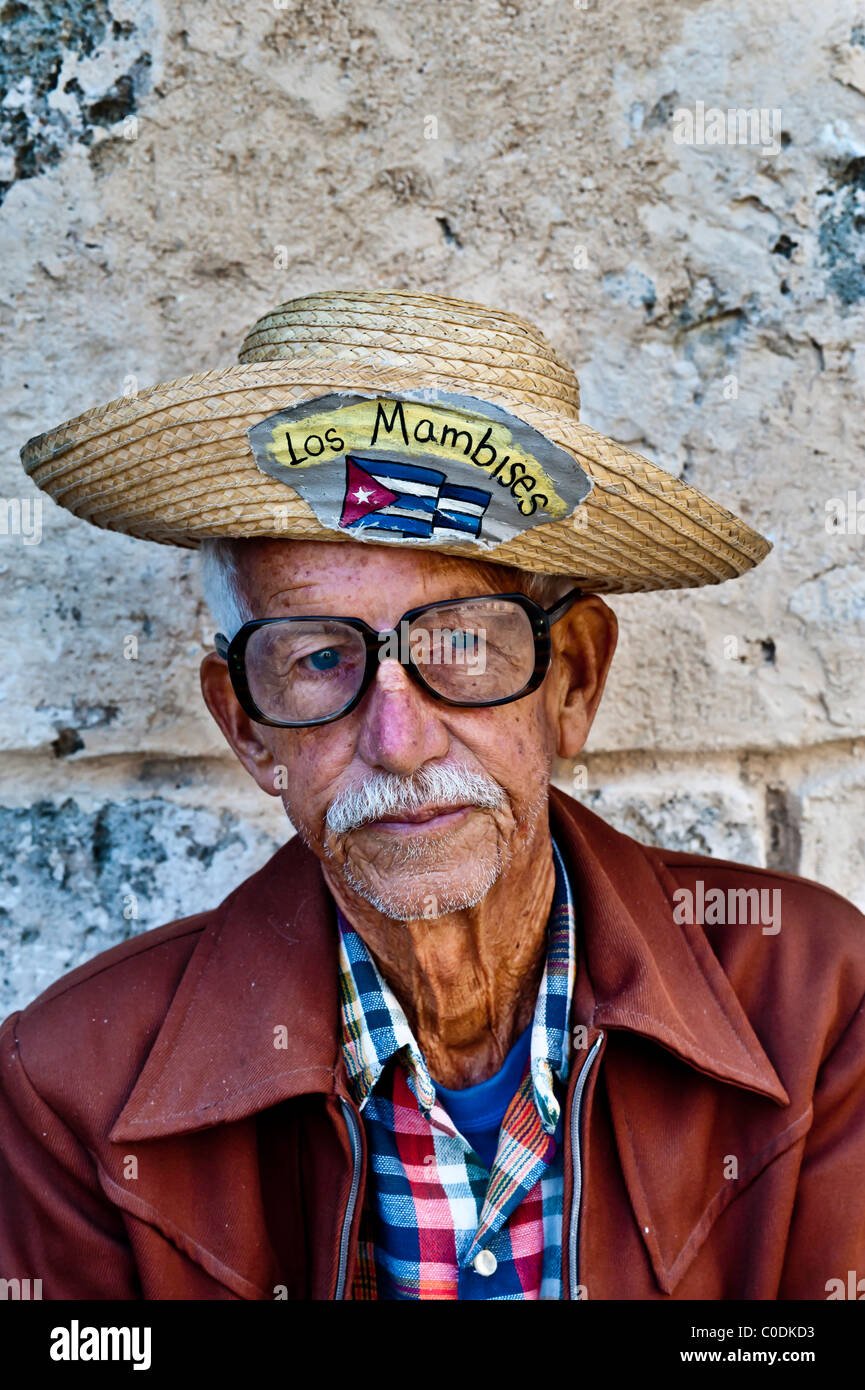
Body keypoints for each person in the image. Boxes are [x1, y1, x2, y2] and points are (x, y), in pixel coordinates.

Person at [2, 290, 863, 1300]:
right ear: (245, 723)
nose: (398, 741)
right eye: (320, 658)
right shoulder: (70, 1088)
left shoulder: (816, 1003)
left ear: (571, 681)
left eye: (462, 641)